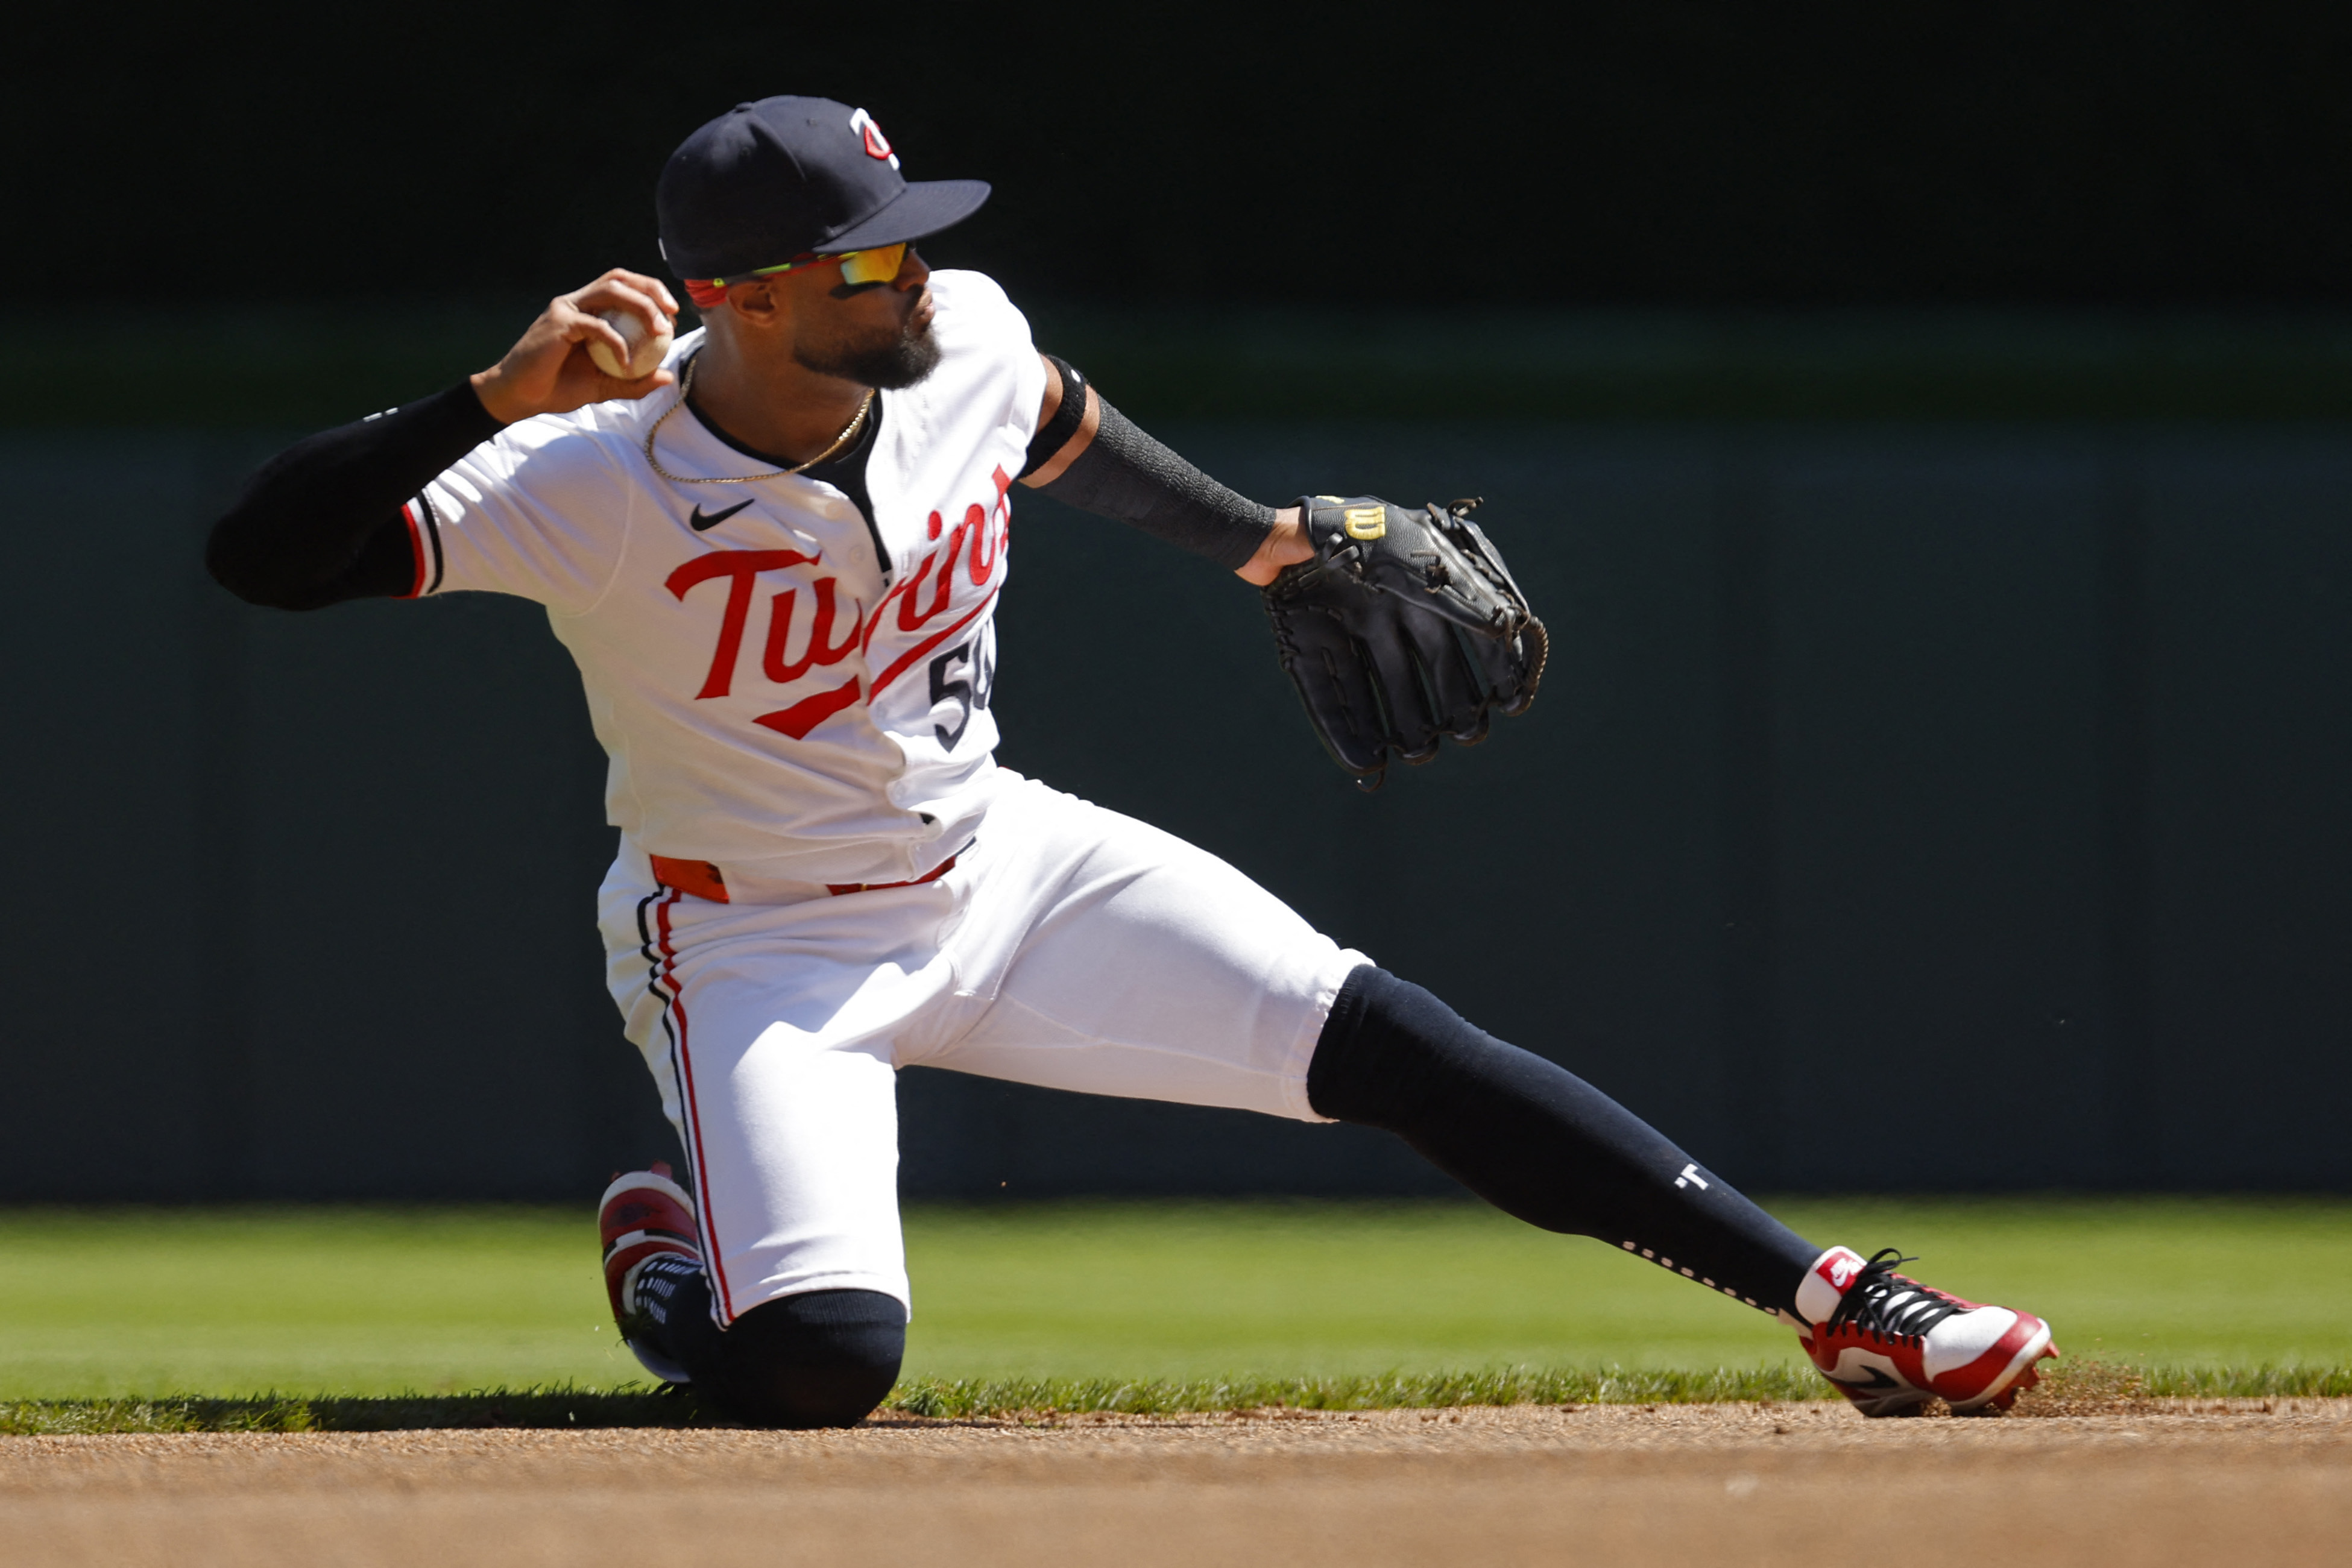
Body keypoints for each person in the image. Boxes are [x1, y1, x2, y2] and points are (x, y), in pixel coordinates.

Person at [207, 95, 2055, 1427]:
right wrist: (482, 401)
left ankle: (1841, 1297)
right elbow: (263, 557)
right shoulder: (592, 478)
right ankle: (689, 1284)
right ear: (747, 297)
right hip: (753, 940)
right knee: (826, 1366)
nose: (916, 269)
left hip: (1001, 863)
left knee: (1392, 1039)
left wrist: (1262, 545)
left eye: (913, 229)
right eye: (871, 249)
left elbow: (1058, 423)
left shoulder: (962, 342)